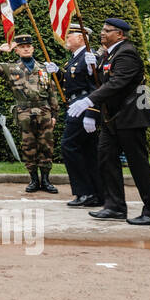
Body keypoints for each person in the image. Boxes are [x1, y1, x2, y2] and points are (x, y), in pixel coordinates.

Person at [67, 17, 150, 225]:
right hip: (112, 119)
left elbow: (118, 82)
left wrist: (88, 101)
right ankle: (115, 206)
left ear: (120, 34)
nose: (102, 33)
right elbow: (104, 82)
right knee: (106, 161)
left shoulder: (126, 52)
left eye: (107, 30)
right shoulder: (109, 54)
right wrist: (95, 70)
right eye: (102, 29)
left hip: (130, 118)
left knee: (138, 166)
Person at [0, 34, 61, 194]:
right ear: (17, 50)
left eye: (28, 46)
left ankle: (46, 180)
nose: (26, 49)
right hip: (24, 113)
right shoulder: (11, 68)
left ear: (33, 48)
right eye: (22, 47)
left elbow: (52, 92)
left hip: (44, 112)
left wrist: (55, 114)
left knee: (46, 146)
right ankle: (33, 179)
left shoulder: (44, 68)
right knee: (28, 146)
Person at [56, 28, 102, 208]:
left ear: (81, 38)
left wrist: (92, 113)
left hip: (83, 108)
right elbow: (73, 83)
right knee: (88, 151)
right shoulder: (75, 58)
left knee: (69, 146)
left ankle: (84, 192)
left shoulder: (89, 57)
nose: (66, 39)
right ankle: (96, 193)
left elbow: (96, 87)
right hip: (76, 107)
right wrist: (59, 73)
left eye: (69, 36)